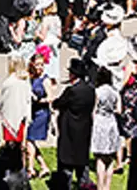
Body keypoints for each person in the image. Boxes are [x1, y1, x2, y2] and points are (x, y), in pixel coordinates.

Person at [53, 60, 95, 189]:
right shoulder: (90, 90)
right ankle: (84, 183)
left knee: (67, 162)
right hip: (84, 129)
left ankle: (66, 184)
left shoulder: (72, 91)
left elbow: (58, 103)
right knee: (82, 160)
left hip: (69, 130)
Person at [91, 67, 121, 190]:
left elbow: (93, 110)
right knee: (110, 158)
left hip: (100, 122)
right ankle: (107, 187)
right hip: (111, 123)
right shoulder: (115, 92)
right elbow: (119, 110)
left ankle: (100, 186)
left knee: (100, 157)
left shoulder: (97, 92)